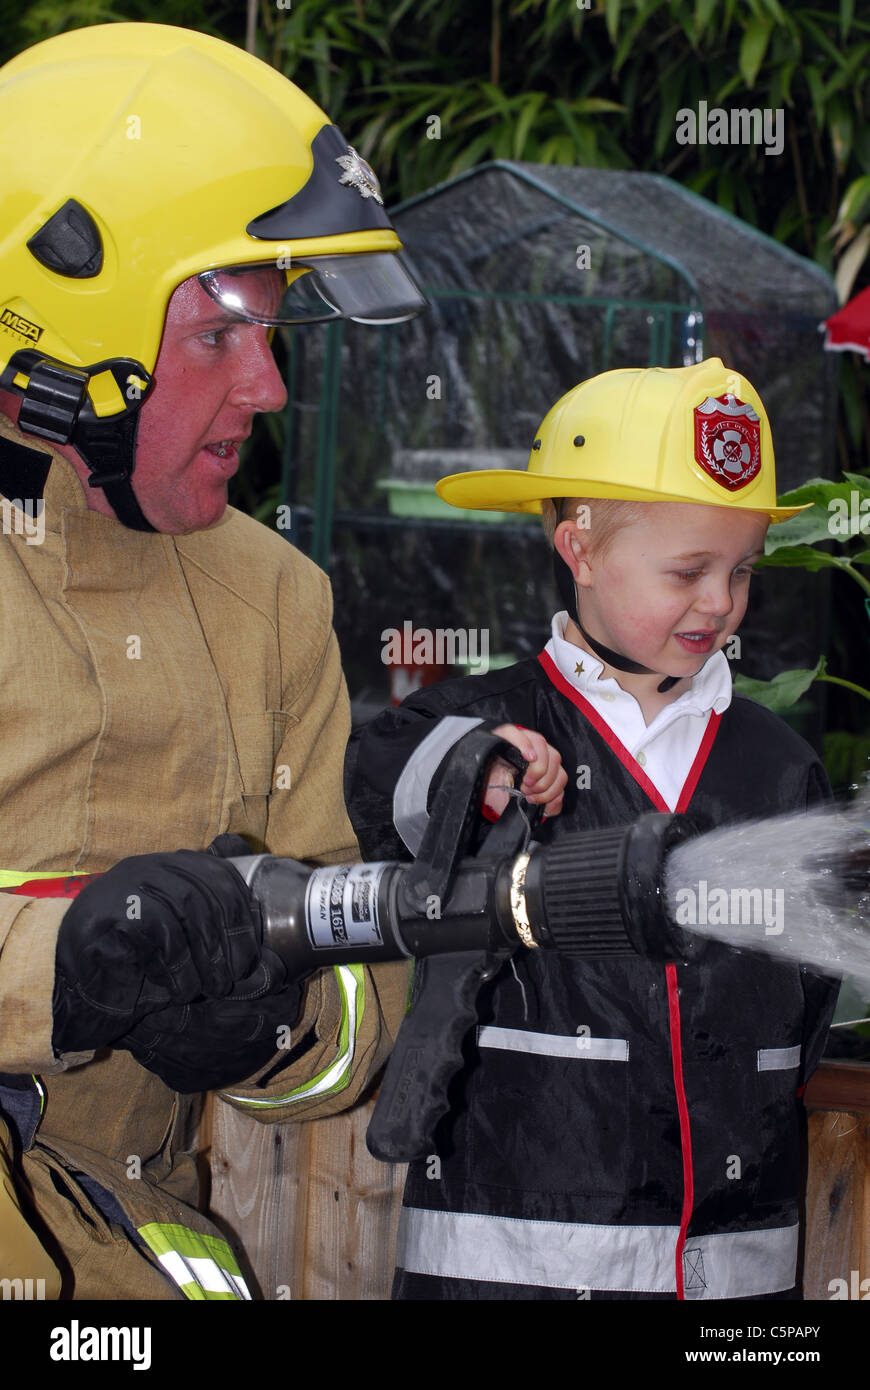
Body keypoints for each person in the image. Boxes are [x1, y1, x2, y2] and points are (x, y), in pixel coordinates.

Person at [0, 22, 423, 1300]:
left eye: (272, 330)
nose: (271, 387)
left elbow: (359, 1001)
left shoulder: (277, 600)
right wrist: (60, 974)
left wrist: (276, 1023)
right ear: (67, 339)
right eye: (219, 334)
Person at [344, 358, 842, 1301]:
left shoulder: (779, 767)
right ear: (577, 547)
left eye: (741, 571)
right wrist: (473, 770)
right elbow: (380, 780)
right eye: (688, 571)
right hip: (503, 1271)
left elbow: (809, 1001)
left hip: (739, 1274)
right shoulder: (477, 727)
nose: (721, 602)